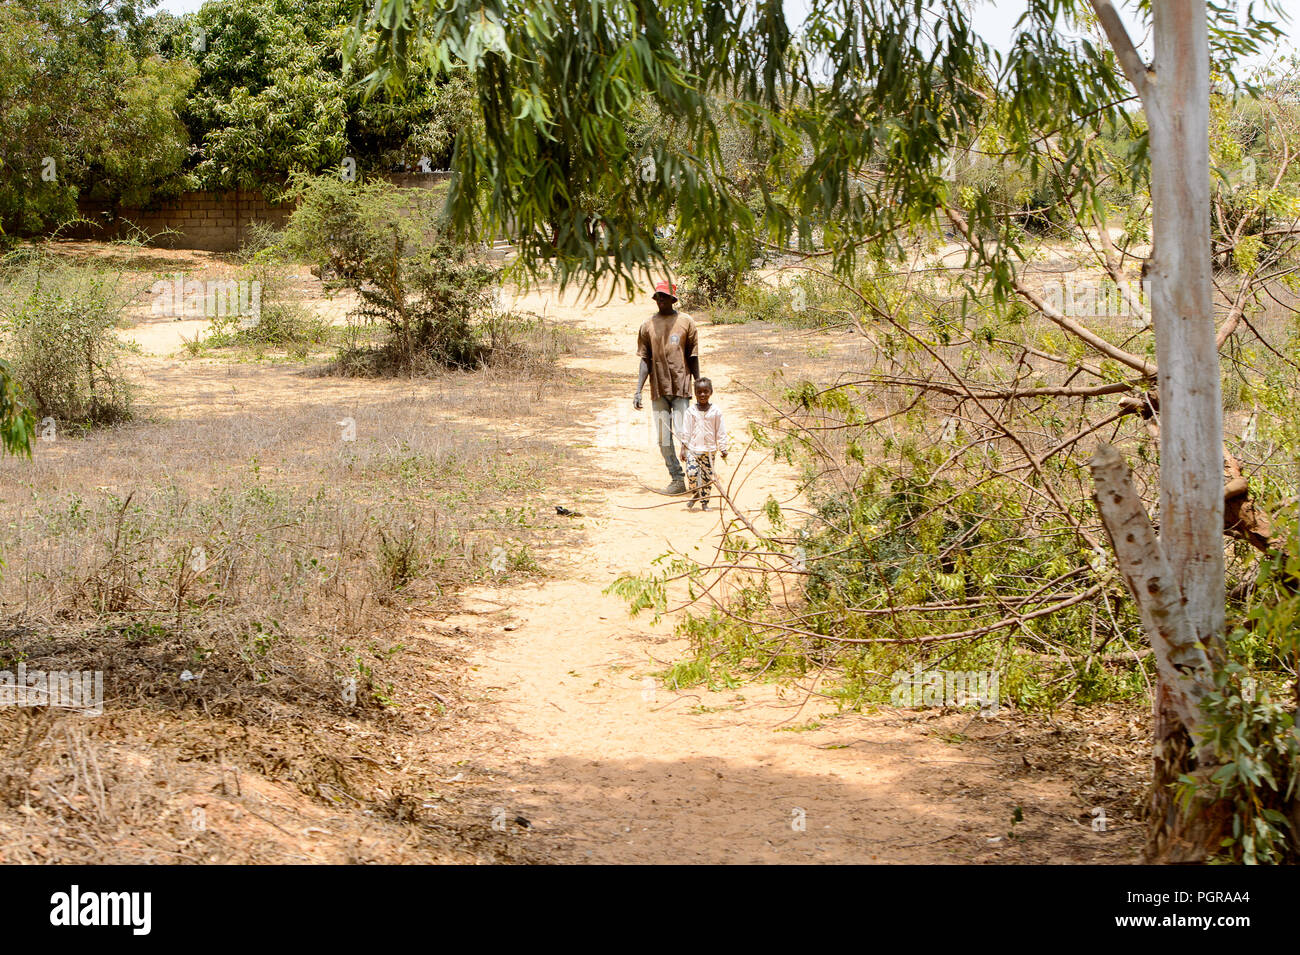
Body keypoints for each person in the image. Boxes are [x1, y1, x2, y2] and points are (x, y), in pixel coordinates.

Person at [633, 281, 699, 494]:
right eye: (657, 297)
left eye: (664, 297)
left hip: (681, 387)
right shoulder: (647, 325)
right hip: (658, 389)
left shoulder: (686, 322)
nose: (660, 301)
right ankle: (677, 479)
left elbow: (693, 355)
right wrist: (638, 390)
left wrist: (698, 383)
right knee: (663, 438)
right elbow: (644, 359)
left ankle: (696, 478)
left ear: (673, 299)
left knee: (684, 434)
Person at [678, 377, 728, 510]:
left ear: (711, 392)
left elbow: (721, 431)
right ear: (695, 393)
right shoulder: (691, 411)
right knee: (692, 474)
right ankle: (696, 493)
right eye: (699, 392)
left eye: (706, 391)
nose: (702, 395)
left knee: (707, 478)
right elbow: (686, 431)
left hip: (709, 450)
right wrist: (683, 448)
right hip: (693, 449)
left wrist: (723, 448)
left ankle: (705, 503)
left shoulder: (716, 411)